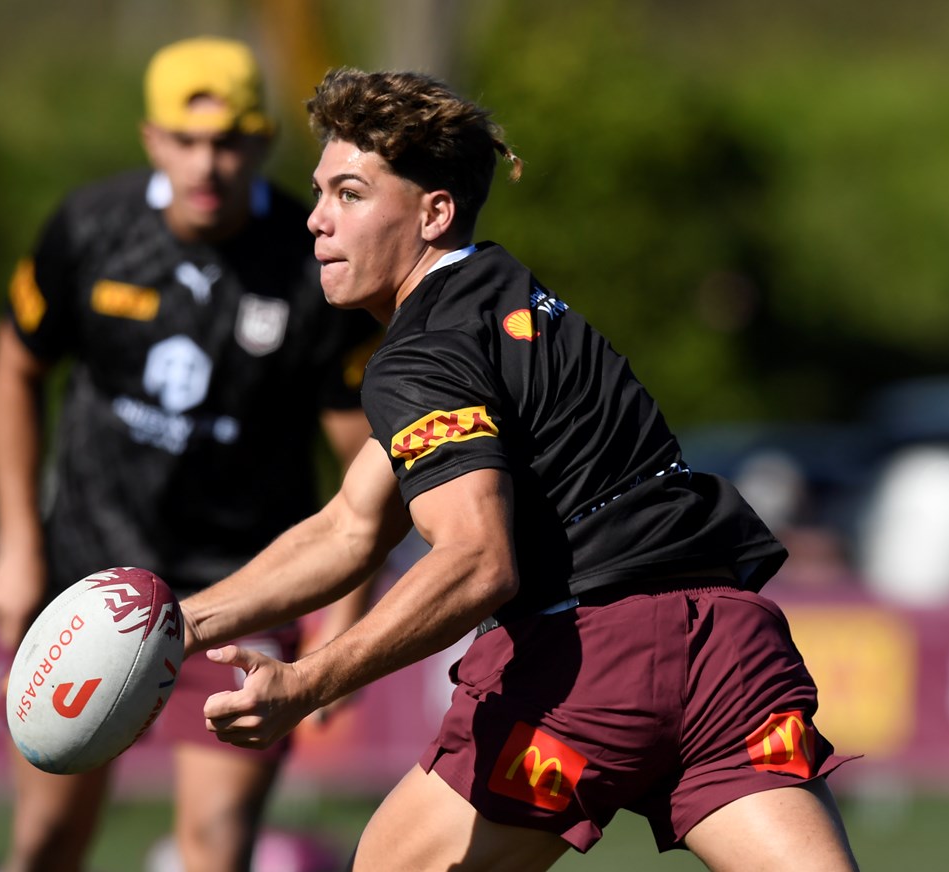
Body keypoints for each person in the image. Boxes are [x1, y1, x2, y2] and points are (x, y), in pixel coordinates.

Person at [178, 67, 861, 871]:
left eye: (350, 195)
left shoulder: (421, 355)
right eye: (321, 192)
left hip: (591, 661)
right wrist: (176, 630)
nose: (316, 221)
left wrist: (308, 684)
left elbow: (477, 560)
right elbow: (352, 523)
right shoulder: (507, 301)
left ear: (433, 212)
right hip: (729, 649)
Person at [0, 38, 381, 872]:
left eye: (230, 141)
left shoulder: (313, 266)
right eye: (187, 140)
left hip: (243, 592)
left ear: (264, 142)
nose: (208, 163)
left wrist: (343, 617)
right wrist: (18, 544)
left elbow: (365, 455)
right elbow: (13, 371)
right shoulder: (89, 229)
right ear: (151, 137)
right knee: (46, 843)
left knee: (214, 847)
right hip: (87, 581)